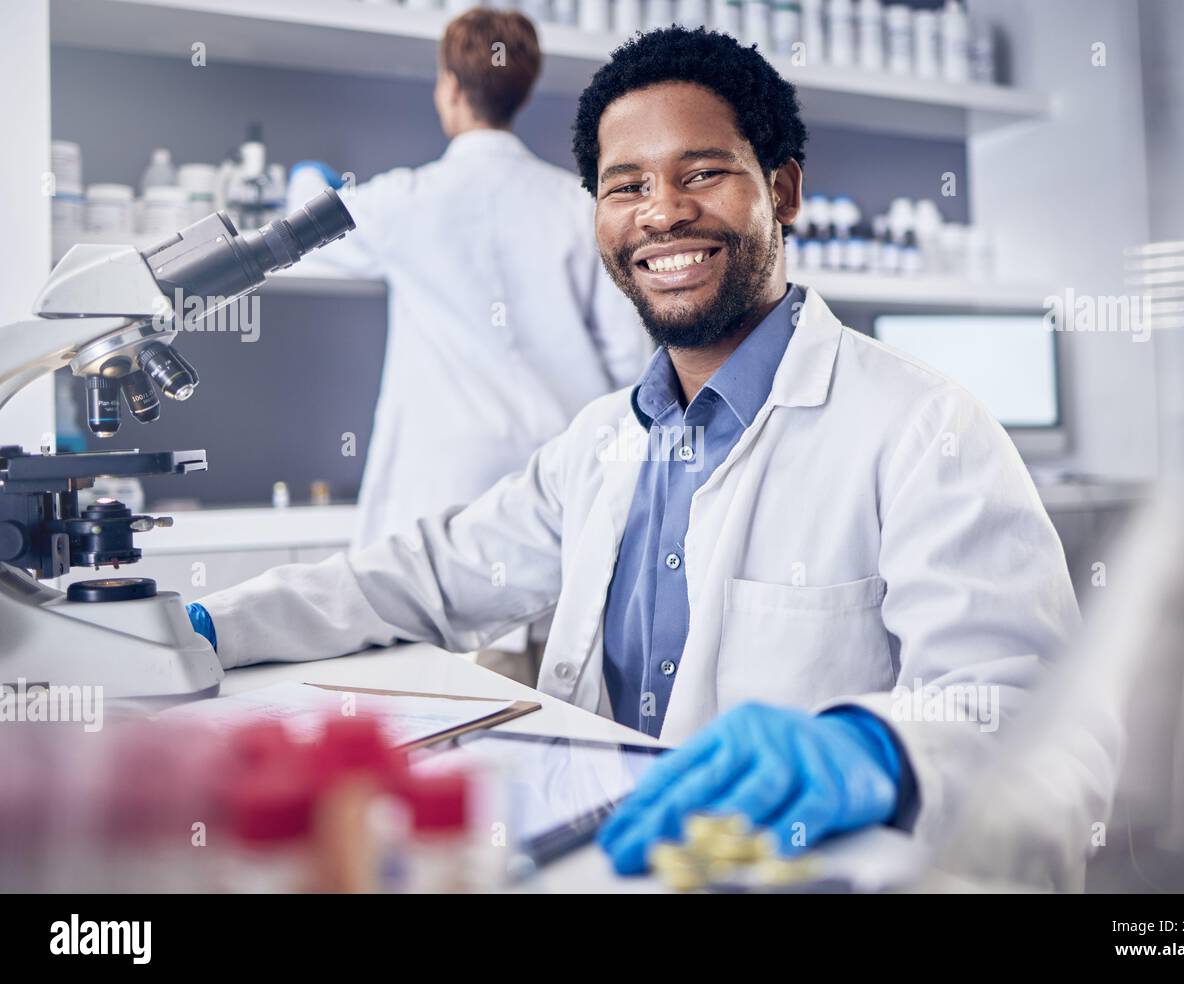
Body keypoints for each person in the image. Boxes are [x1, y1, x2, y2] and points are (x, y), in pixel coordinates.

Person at [188, 27, 1080, 875]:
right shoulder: (602, 442)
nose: (665, 213)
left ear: (784, 189)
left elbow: (1040, 728)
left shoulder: (927, 430)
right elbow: (423, 575)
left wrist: (874, 749)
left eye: (704, 172)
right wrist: (205, 628)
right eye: (627, 186)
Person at [286, 10, 646, 684]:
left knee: (464, 718)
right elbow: (629, 357)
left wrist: (310, 176)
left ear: (452, 86)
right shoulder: (578, 205)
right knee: (564, 712)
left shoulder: (406, 199)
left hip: (446, 500)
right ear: (524, 90)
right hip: (562, 485)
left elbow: (303, 226)